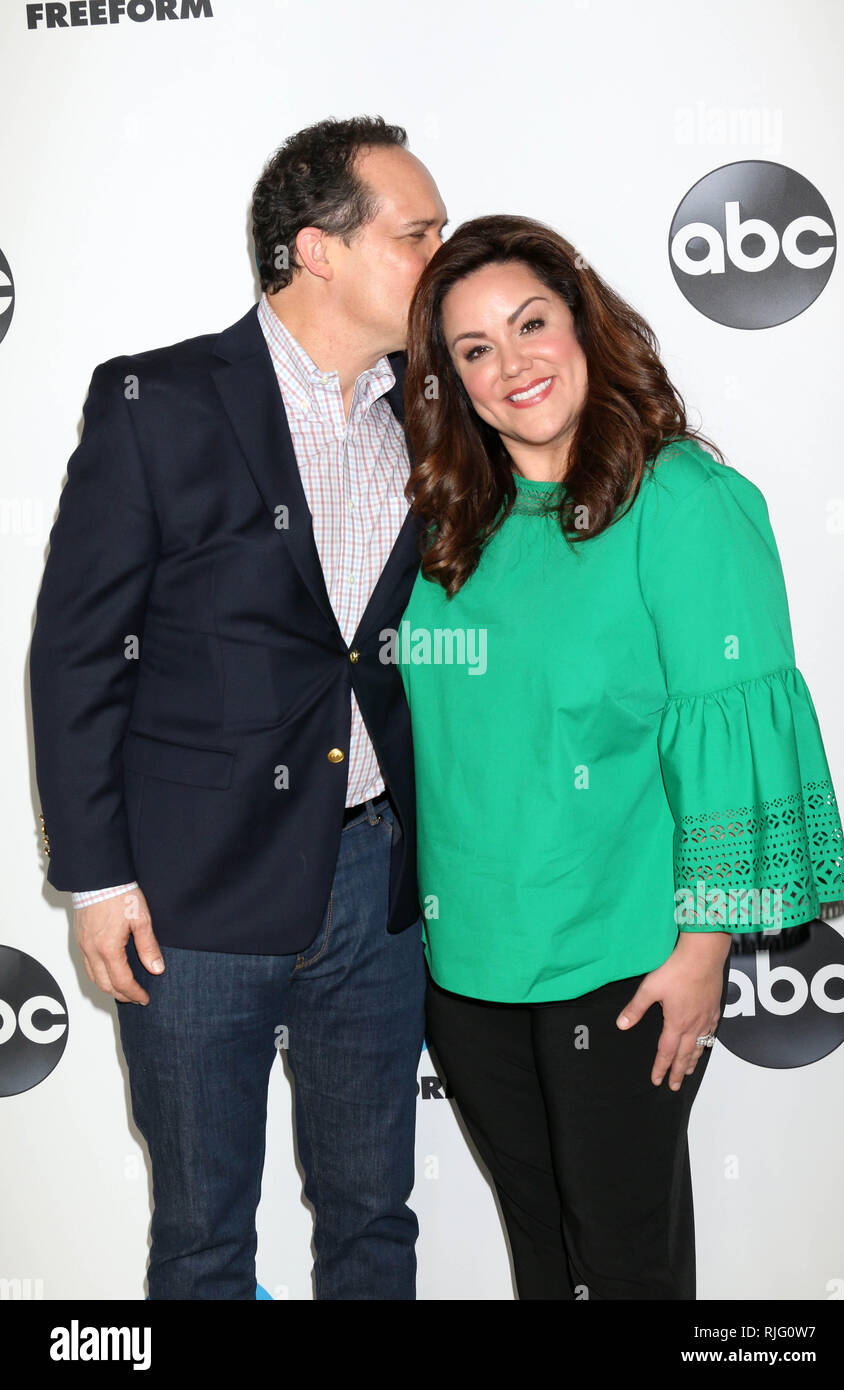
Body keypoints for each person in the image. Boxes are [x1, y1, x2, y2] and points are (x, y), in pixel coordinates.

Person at [396, 214, 844, 1300]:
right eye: (472, 350)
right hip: (466, 971)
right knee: (545, 1260)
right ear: (450, 380)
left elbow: (730, 731)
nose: (510, 365)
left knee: (625, 1266)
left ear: (581, 322)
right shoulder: (450, 520)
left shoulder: (680, 501)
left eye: (528, 324)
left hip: (621, 966)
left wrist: (703, 950)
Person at [29, 116, 448, 1300]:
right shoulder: (157, 401)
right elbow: (74, 659)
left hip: (374, 883)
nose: (440, 256)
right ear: (318, 250)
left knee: (374, 1220)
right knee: (204, 1236)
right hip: (188, 893)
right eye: (416, 234)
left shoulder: (429, 410)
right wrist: (97, 879)